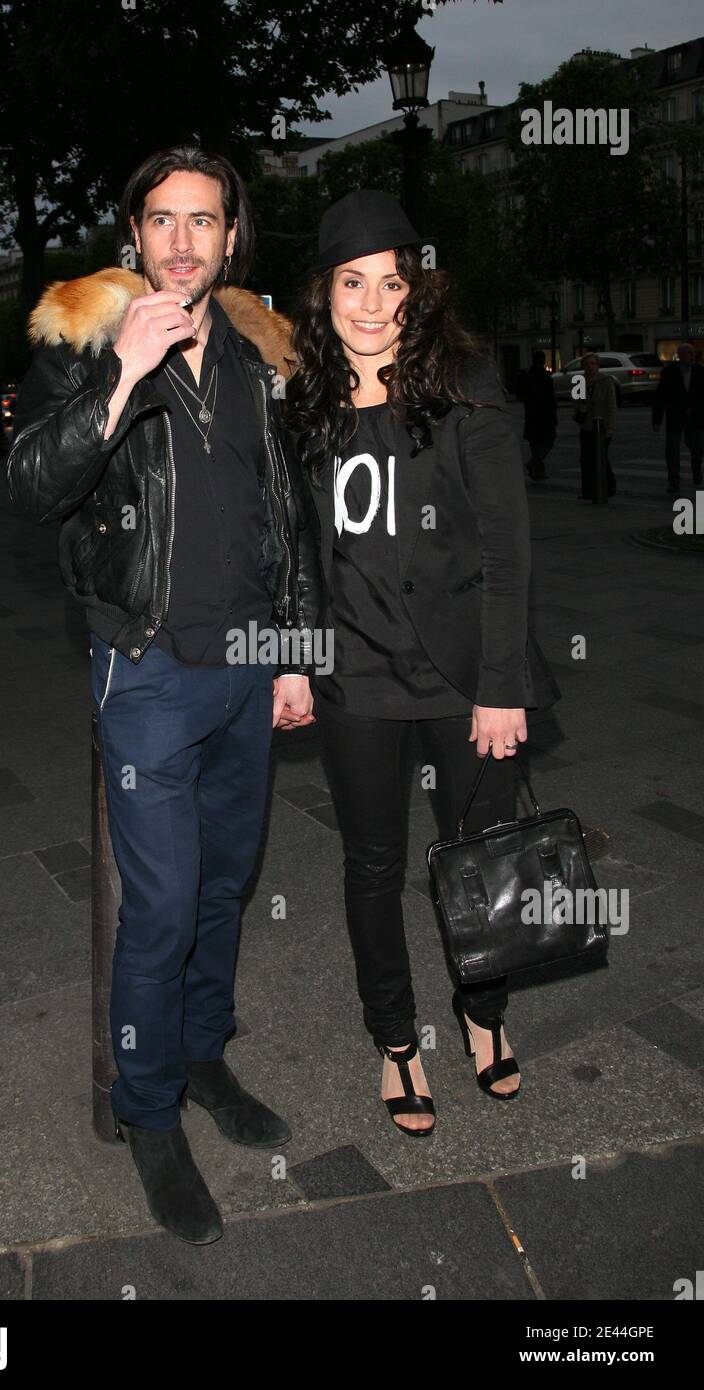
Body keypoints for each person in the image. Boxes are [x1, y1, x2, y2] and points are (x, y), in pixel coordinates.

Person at [7, 146, 322, 1244]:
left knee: (225, 883)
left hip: (246, 672)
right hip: (143, 669)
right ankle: (146, 1115)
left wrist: (291, 651)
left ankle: (200, 1055)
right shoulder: (85, 343)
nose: (182, 239)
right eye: (161, 219)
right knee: (160, 908)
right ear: (132, 237)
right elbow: (34, 484)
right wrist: (122, 376)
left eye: (204, 219)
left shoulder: (251, 352)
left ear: (231, 238)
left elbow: (284, 512)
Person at [285, 189, 561, 1137]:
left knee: (484, 860)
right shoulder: (303, 406)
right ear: (323, 294)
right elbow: (290, 552)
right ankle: (396, 1040)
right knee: (372, 866)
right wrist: (291, 661)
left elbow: (504, 553)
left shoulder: (468, 389)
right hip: (355, 680)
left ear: (418, 290)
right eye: (351, 282)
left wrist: (501, 688)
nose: (370, 302)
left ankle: (484, 1018)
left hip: (461, 680)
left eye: (390, 282)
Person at [652, 342, 704, 494]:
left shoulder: (701, 371)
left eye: (693, 353)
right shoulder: (669, 372)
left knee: (698, 447)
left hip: (696, 416)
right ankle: (674, 481)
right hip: (675, 415)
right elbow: (661, 396)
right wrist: (657, 420)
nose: (692, 356)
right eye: (689, 353)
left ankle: (697, 471)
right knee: (672, 450)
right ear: (680, 355)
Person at [574, 352, 617, 499]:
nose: (590, 367)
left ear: (598, 366)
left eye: (593, 364)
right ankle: (588, 489)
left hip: (602, 425)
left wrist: (611, 426)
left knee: (600, 456)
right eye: (587, 364)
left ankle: (608, 486)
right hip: (586, 425)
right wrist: (581, 407)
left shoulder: (606, 381)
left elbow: (611, 405)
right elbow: (576, 403)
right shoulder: (579, 381)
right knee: (586, 458)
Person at [515, 349, 557, 481]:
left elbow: (521, 395)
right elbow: (551, 398)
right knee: (548, 442)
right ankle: (534, 463)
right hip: (544, 414)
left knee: (535, 444)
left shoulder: (527, 374)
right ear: (543, 360)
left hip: (531, 414)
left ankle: (537, 471)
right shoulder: (545, 376)